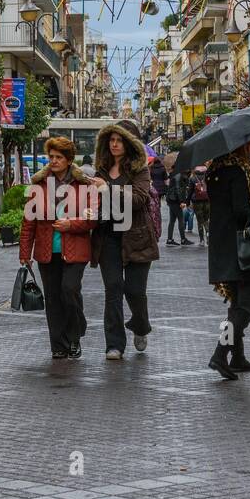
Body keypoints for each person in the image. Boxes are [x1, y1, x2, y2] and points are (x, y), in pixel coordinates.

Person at [19, 136, 97, 359]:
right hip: (46, 250)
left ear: (69, 160)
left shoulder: (84, 185)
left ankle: (74, 335)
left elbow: (93, 218)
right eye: (51, 157)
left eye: (58, 157)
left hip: (76, 248)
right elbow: (28, 222)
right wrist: (25, 253)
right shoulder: (39, 185)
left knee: (69, 289)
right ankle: (58, 345)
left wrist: (71, 224)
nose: (53, 161)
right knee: (53, 299)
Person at [90, 121, 158, 360]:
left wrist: (107, 188)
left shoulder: (140, 169)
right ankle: (114, 344)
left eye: (119, 140)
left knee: (135, 291)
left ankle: (140, 326)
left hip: (137, 236)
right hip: (108, 236)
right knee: (113, 289)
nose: (115, 144)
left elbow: (139, 198)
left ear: (129, 143)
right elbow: (95, 202)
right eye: (111, 140)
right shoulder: (101, 169)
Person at [206, 140, 250, 381]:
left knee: (235, 305)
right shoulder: (240, 172)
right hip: (242, 247)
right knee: (245, 309)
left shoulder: (214, 172)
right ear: (239, 146)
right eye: (249, 144)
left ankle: (237, 357)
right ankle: (220, 353)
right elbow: (242, 212)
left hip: (221, 244)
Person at [164, 167, 192, 245]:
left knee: (172, 220)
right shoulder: (178, 177)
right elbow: (178, 190)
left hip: (171, 200)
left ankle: (169, 239)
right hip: (175, 201)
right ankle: (183, 239)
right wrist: (181, 202)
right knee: (181, 219)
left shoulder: (177, 175)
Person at [190, 165, 210, 245]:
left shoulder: (193, 178)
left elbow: (190, 191)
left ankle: (202, 240)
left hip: (197, 202)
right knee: (206, 220)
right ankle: (208, 236)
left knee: (200, 221)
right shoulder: (208, 176)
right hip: (207, 201)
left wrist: (187, 202)